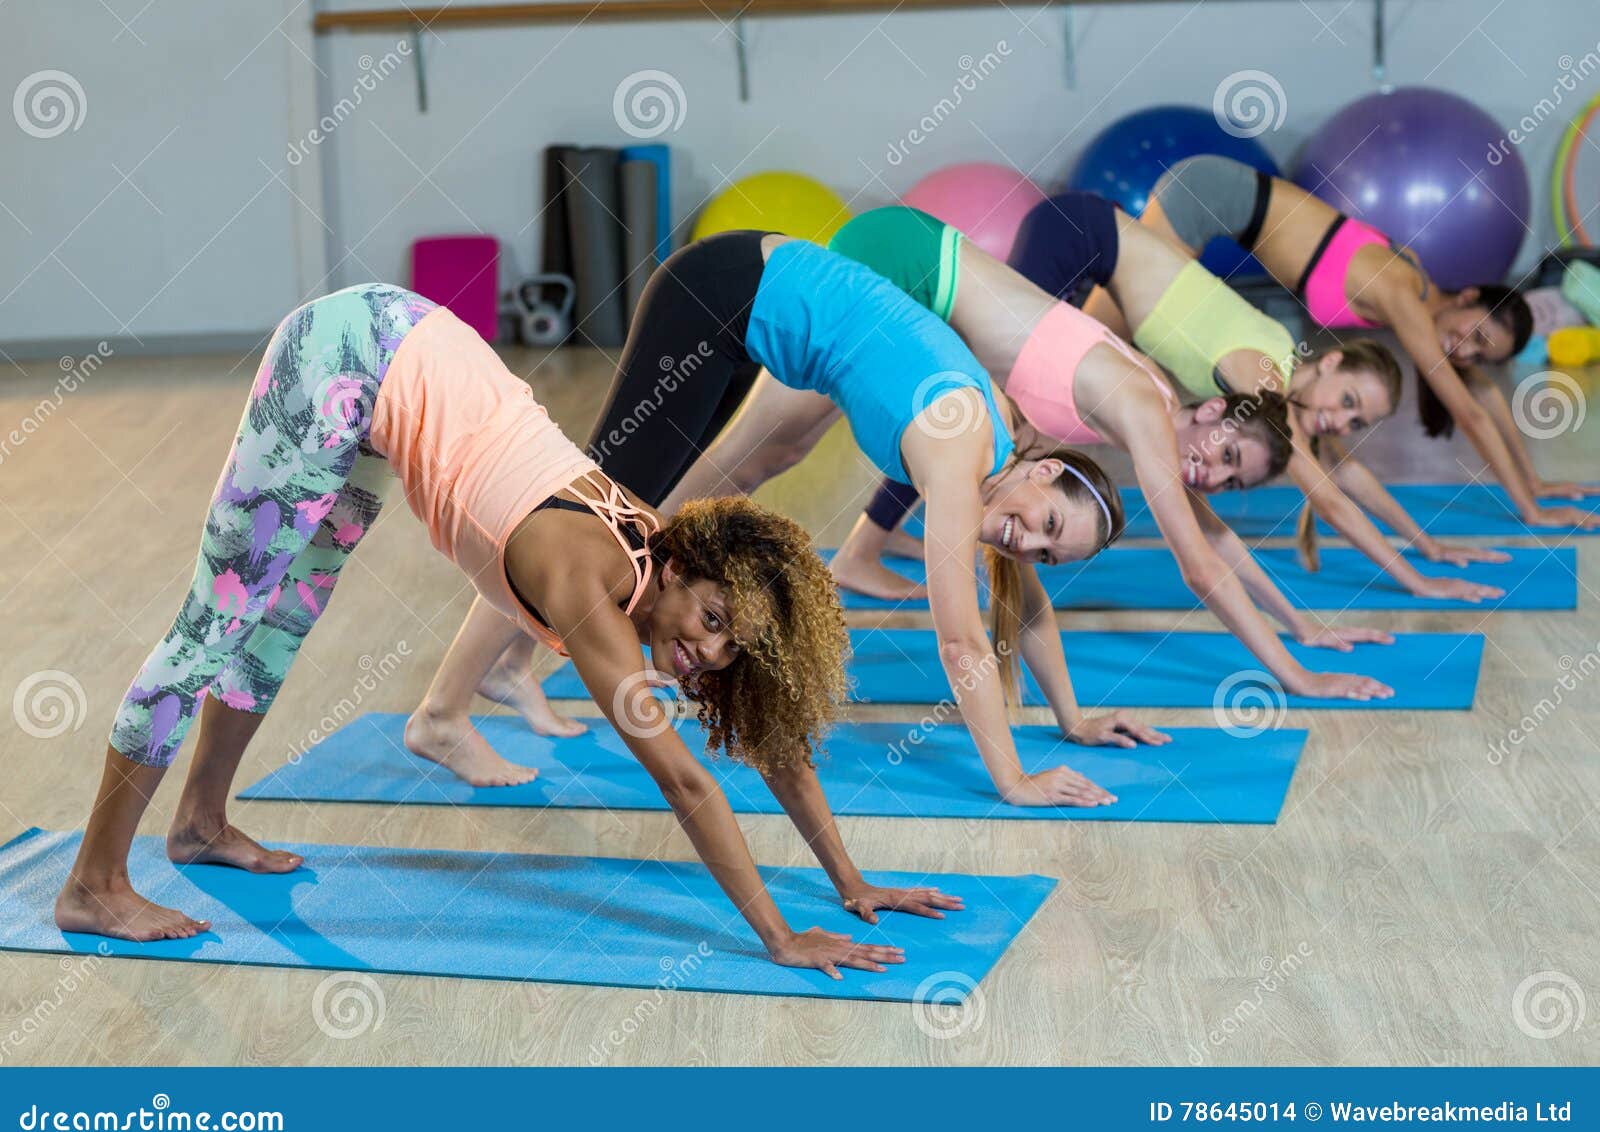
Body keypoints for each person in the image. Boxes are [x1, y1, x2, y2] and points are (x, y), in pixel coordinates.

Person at [55, 284, 959, 977]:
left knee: (283, 618)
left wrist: (849, 878)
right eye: (714, 622)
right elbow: (683, 778)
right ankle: (94, 884)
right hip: (351, 352)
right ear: (683, 569)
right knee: (217, 623)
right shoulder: (588, 577)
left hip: (406, 366)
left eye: (728, 650)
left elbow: (772, 740)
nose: (705, 654)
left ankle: (201, 823)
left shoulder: (668, 571)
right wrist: (780, 934)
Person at [587, 230, 1170, 806]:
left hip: (753, 298)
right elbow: (962, 643)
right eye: (1048, 526)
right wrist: (1015, 781)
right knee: (591, 515)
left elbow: (1025, 604)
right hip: (721, 295)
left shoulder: (1001, 456)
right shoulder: (963, 458)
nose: (1028, 545)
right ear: (1043, 472)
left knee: (647, 509)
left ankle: (534, 636)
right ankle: (508, 659)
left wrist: (1073, 718)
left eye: (1046, 553)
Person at [824, 206, 1394, 705]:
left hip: (912, 258)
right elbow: (1199, 568)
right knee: (790, 437)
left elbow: (1216, 540)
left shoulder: (1154, 417)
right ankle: (846, 558)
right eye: (1227, 455)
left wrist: (1301, 626)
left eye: (1232, 481)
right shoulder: (1146, 414)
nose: (1213, 476)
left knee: (865, 439)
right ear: (1212, 411)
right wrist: (1297, 677)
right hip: (907, 258)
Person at [1009, 190, 1513, 596]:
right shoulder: (1265, 380)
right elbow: (1332, 502)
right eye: (1348, 401)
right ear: (1330, 362)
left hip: (1100, 247)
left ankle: (929, 530)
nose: (1339, 423)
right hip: (1081, 233)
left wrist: (1428, 547)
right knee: (988, 398)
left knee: (1006, 406)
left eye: (1355, 423)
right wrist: (1420, 583)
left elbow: (1346, 475)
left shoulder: (1281, 368)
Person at [1137, 154, 1600, 530]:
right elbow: (1469, 414)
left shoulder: (1421, 287)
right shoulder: (1402, 293)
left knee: (1113, 337)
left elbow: (1481, 392)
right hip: (1206, 195)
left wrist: (1533, 481)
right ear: (1468, 296)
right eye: (1475, 333)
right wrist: (1531, 512)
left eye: (1482, 352)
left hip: (1220, 197)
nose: (1466, 350)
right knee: (1108, 334)